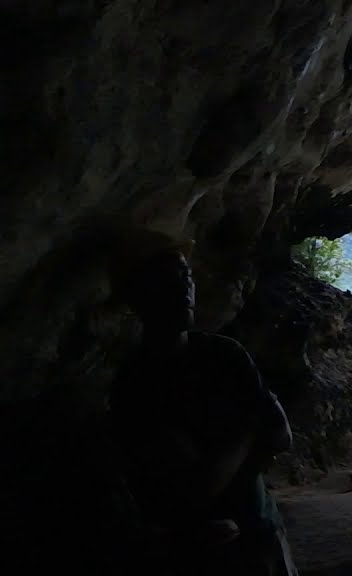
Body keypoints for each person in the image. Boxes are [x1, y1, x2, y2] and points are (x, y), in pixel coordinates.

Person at [108, 235, 297, 575]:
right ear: (136, 296)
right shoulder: (136, 383)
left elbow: (280, 436)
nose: (184, 290)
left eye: (187, 278)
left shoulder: (225, 354)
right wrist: (246, 436)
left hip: (254, 530)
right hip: (201, 545)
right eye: (166, 282)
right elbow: (187, 484)